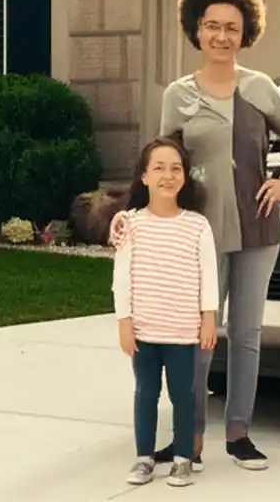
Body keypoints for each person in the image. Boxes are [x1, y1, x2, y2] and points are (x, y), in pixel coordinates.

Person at [111, 0, 280, 471]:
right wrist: (128, 217)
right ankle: (189, 438)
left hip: (260, 227)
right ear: (197, 30)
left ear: (246, 35)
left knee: (246, 334)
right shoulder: (178, 95)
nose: (222, 36)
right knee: (196, 335)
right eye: (213, 25)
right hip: (197, 235)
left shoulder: (262, 89)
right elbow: (160, 164)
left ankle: (239, 433)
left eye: (232, 28)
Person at [113, 136, 219, 488]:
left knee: (183, 395)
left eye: (175, 168)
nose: (167, 175)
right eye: (158, 167)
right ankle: (144, 458)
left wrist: (208, 318)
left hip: (182, 331)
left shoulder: (197, 225)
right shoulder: (131, 224)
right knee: (146, 393)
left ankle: (182, 459)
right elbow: (122, 278)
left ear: (185, 177)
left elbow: (208, 276)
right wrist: (124, 323)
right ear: (143, 176)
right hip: (144, 330)